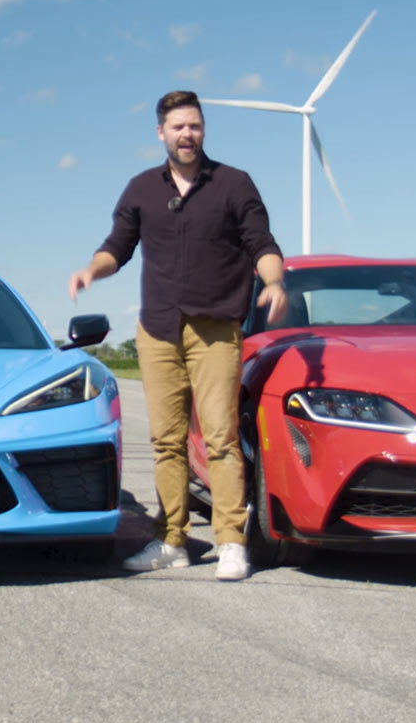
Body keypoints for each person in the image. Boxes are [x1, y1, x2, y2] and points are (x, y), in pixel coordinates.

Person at [68, 90, 286, 581]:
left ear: (203, 130)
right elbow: (116, 248)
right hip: (158, 329)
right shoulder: (142, 189)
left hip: (214, 330)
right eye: (178, 127)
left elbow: (262, 244)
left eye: (195, 126)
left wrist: (273, 281)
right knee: (165, 442)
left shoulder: (234, 184)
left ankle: (231, 541)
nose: (188, 134)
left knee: (220, 438)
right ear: (161, 133)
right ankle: (173, 540)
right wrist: (90, 272)